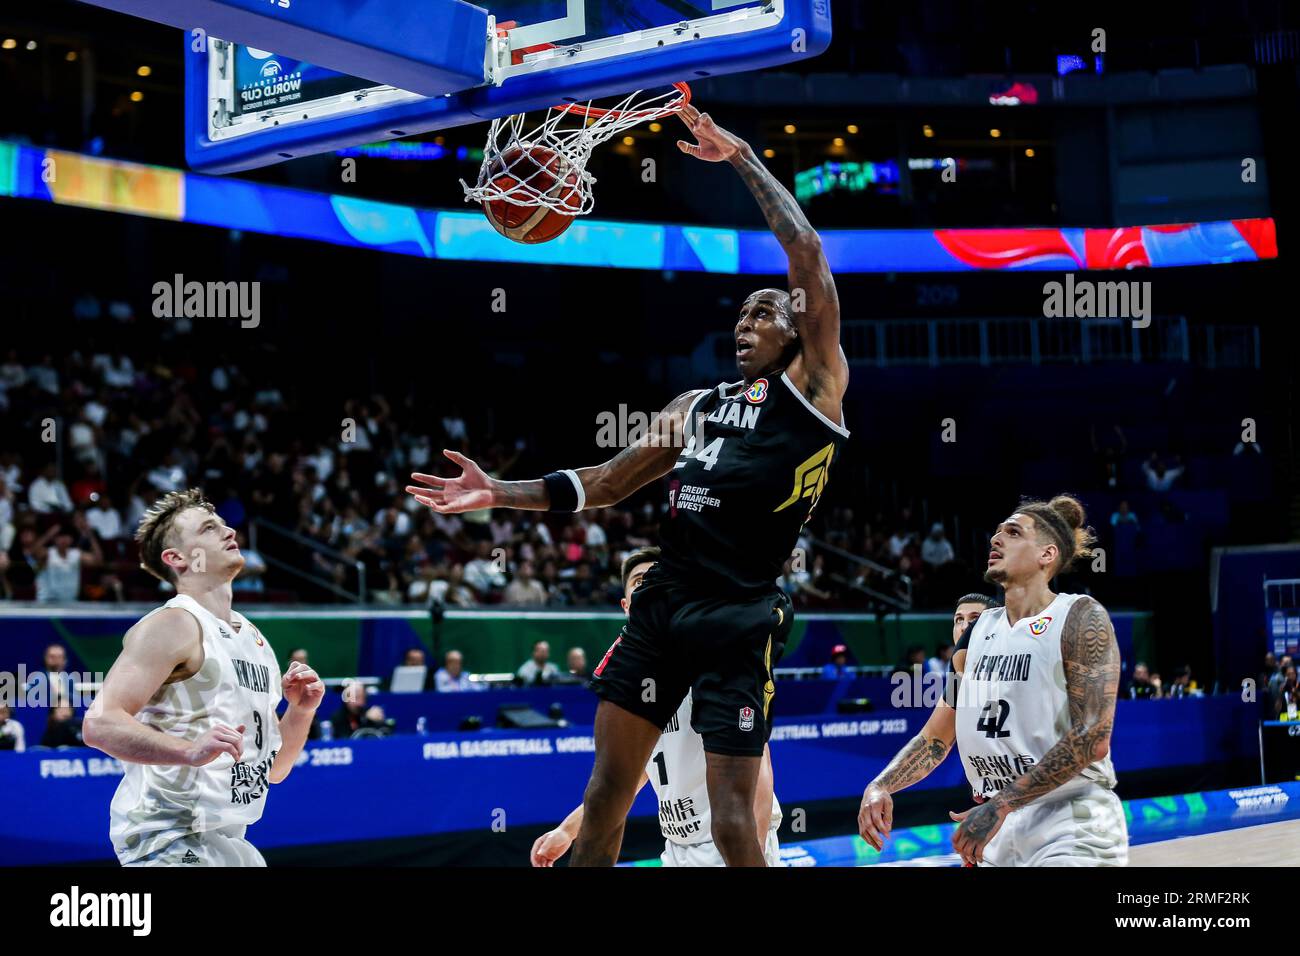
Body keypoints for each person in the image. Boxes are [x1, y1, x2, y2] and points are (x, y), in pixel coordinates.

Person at [408, 104, 846, 866]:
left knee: (734, 819)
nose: (747, 323)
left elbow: (804, 249)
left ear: (797, 329)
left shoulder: (815, 387)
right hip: (664, 605)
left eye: (765, 313)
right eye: (740, 314)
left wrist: (739, 155)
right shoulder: (693, 407)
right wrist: (498, 492)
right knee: (609, 790)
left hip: (740, 612)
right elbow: (607, 483)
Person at [860, 495, 1128, 867]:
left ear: (1046, 555)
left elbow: (1092, 739)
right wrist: (881, 785)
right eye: (997, 532)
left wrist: (1001, 804)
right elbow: (936, 738)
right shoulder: (978, 631)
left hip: (1070, 819)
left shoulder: (1080, 615)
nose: (995, 539)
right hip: (995, 827)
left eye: (1013, 532)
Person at [82, 489, 324, 866]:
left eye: (224, 524)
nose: (228, 530)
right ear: (177, 558)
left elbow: (274, 771)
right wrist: (187, 751)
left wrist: (301, 712)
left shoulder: (254, 639)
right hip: (168, 837)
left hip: (230, 842)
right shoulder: (174, 623)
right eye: (210, 528)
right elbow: (99, 724)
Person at [531, 548, 782, 867]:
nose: (648, 585)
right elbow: (633, 776)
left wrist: (752, 849)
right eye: (638, 581)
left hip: (727, 847)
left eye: (657, 579)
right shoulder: (629, 676)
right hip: (677, 846)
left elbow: (757, 764)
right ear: (625, 606)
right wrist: (568, 831)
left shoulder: (712, 660)